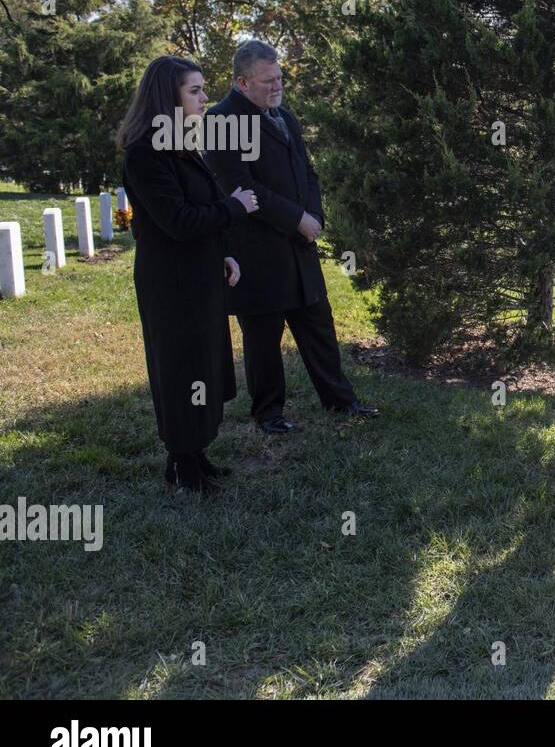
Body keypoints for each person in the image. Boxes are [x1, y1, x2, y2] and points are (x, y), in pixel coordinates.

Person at [207, 40, 378, 434]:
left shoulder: (284, 115)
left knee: (318, 325)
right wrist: (296, 218)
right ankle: (268, 413)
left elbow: (307, 171)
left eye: (280, 77)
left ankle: (341, 401)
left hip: (299, 246)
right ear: (242, 82)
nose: (277, 86)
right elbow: (241, 186)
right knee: (263, 335)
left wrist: (314, 215)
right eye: (268, 80)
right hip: (256, 248)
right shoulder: (221, 121)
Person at [119, 56, 260, 493]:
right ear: (169, 96)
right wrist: (235, 207)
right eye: (194, 90)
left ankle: (194, 453)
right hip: (172, 282)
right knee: (180, 369)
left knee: (201, 364)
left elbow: (202, 207)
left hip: (200, 273)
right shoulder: (145, 152)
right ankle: (182, 464)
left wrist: (225, 254)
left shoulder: (180, 145)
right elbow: (178, 220)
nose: (204, 98)